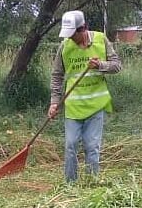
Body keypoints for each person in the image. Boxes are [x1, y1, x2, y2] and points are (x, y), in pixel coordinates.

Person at [48, 10, 122, 182]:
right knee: (70, 145)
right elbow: (57, 76)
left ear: (83, 29)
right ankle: (70, 185)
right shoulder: (65, 47)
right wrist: (54, 102)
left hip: (96, 105)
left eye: (73, 34)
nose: (71, 38)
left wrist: (100, 65)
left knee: (92, 147)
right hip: (73, 106)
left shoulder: (100, 40)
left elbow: (117, 66)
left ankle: (90, 184)